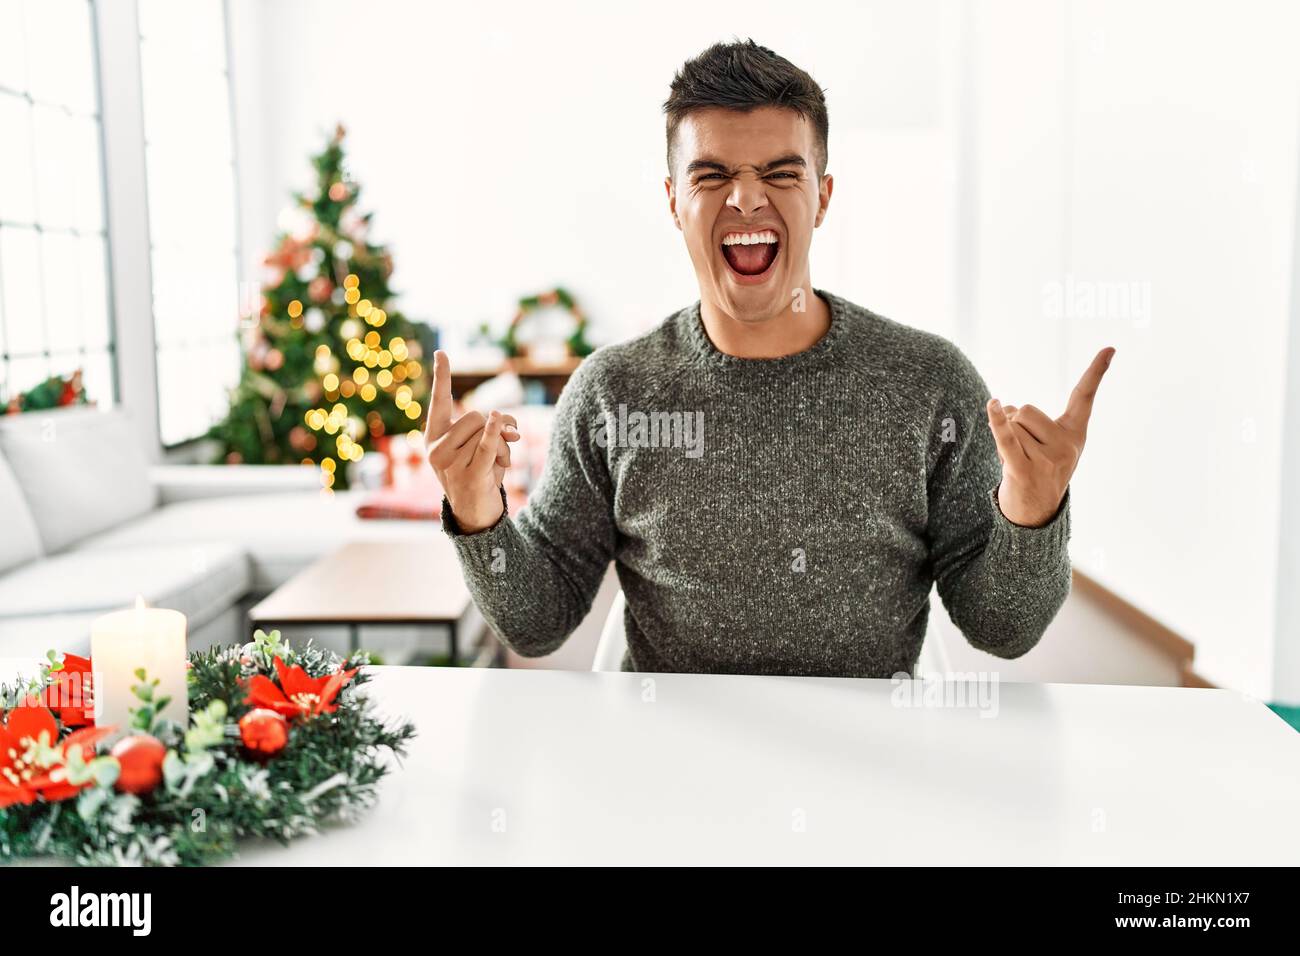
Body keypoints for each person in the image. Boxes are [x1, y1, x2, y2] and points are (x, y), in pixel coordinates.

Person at [424, 39, 1113, 676]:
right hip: (670, 770)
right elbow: (538, 624)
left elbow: (1003, 629)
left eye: (781, 173)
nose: (746, 197)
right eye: (711, 175)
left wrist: (1031, 509)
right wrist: (477, 511)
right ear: (673, 203)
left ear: (822, 198)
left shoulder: (931, 385)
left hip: (872, 771)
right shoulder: (612, 393)